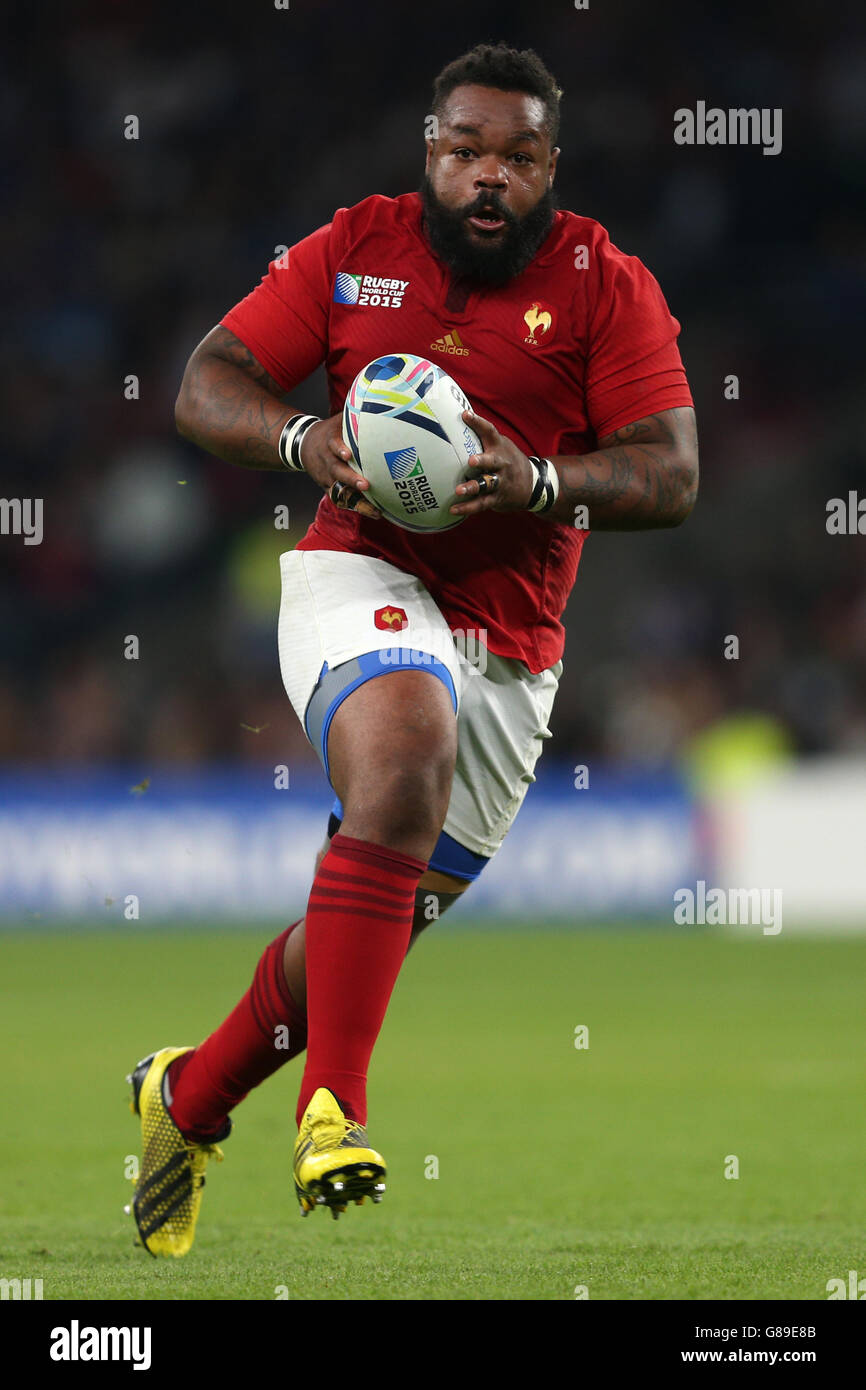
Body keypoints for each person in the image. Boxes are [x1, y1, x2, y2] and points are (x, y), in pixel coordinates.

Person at [126, 41, 698, 1256]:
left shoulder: (607, 283)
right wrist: (301, 442)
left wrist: (543, 480)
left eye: (519, 159)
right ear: (427, 152)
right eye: (465, 152)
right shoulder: (353, 246)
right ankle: (335, 1111)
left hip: (514, 642)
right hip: (360, 569)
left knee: (364, 924)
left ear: (552, 168)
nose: (488, 178)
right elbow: (203, 384)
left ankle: (182, 1100)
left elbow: (671, 470)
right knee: (399, 761)